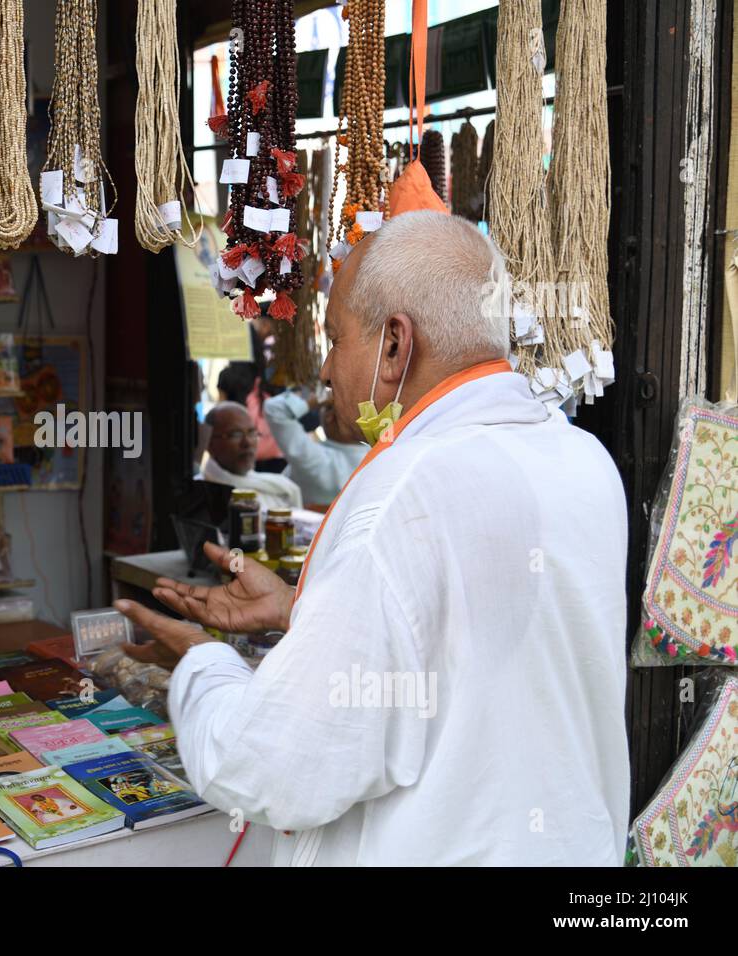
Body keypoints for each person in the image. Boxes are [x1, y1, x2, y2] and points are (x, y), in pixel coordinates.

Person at [116, 211, 629, 865]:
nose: (326, 370)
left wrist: (202, 662)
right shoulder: (582, 459)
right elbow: (469, 643)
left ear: (393, 345)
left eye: (334, 339)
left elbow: (276, 769)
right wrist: (305, 607)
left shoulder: (405, 490)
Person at [263, 389, 367, 506]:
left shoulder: (319, 461)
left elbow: (275, 408)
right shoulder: (376, 459)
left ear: (329, 416)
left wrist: (321, 397)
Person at [199, 402, 302, 510]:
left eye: (252, 433)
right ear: (209, 443)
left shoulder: (276, 488)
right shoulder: (201, 497)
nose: (247, 442)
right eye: (236, 434)